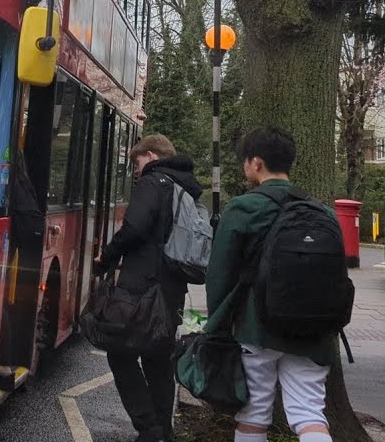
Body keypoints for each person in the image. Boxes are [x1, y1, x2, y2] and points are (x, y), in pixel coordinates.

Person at [206, 128, 336, 442]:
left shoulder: (244, 208)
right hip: (314, 331)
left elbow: (220, 275)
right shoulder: (323, 212)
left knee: (253, 416)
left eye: (245, 162)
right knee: (309, 415)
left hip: (256, 328)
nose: (244, 168)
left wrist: (218, 325)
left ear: (257, 163)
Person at [95, 134, 201, 442]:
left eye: (137, 162)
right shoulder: (186, 189)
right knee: (158, 362)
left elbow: (135, 227)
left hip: (142, 288)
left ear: (151, 157)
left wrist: (107, 256)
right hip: (172, 289)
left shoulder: (153, 183)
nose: (136, 170)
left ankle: (149, 427)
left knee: (119, 352)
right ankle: (163, 432)